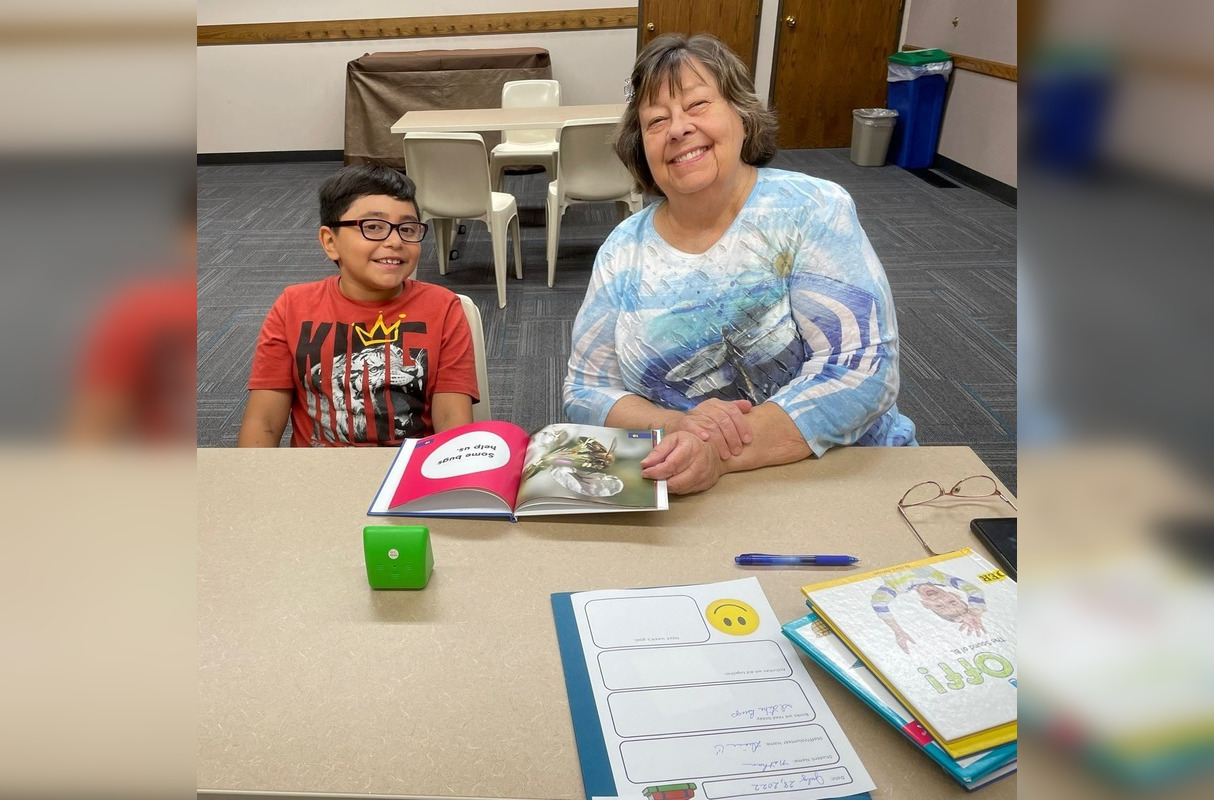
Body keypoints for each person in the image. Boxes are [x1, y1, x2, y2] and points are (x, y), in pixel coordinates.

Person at [563, 34, 916, 494]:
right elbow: (585, 391)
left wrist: (720, 452)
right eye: (656, 120)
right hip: (689, 486)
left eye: (697, 105)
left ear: (742, 117)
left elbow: (861, 370)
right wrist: (675, 425)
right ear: (641, 148)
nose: (678, 129)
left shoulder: (809, 209)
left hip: (837, 477)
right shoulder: (622, 249)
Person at [237, 165, 477, 447]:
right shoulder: (293, 306)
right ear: (330, 241)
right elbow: (263, 423)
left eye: (408, 228)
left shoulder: (443, 307)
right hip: (312, 476)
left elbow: (453, 423)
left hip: (408, 473)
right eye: (373, 227)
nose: (395, 241)